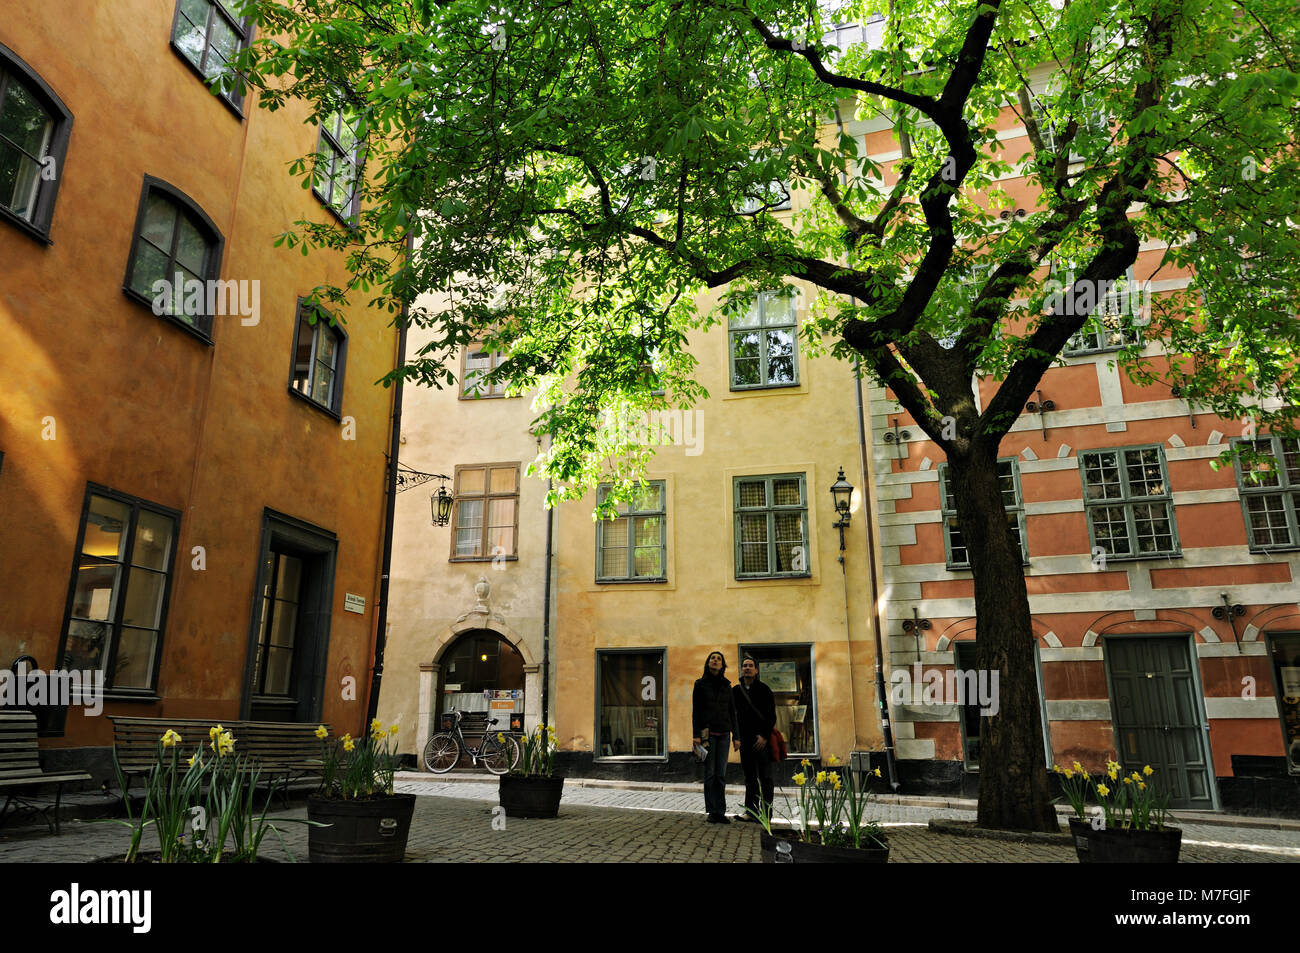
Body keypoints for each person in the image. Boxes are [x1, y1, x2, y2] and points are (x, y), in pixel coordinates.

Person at [692, 651, 740, 823]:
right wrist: (696, 734)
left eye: (719, 659)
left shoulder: (727, 686)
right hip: (708, 734)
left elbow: (732, 712)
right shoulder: (700, 684)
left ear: (722, 665)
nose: (715, 660)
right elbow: (696, 711)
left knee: (721, 774)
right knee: (710, 773)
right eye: (712, 658)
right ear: (708, 662)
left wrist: (737, 736)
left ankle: (720, 811)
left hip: (725, 734)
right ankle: (712, 811)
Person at [733, 655, 776, 822]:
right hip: (744, 740)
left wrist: (764, 736)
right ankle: (750, 811)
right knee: (750, 777)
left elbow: (771, 716)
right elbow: (733, 717)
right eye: (745, 665)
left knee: (766, 778)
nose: (747, 668)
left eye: (751, 665)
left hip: (761, 742)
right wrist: (736, 737)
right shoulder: (736, 691)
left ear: (756, 670)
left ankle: (766, 814)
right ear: (742, 669)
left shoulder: (765, 690)